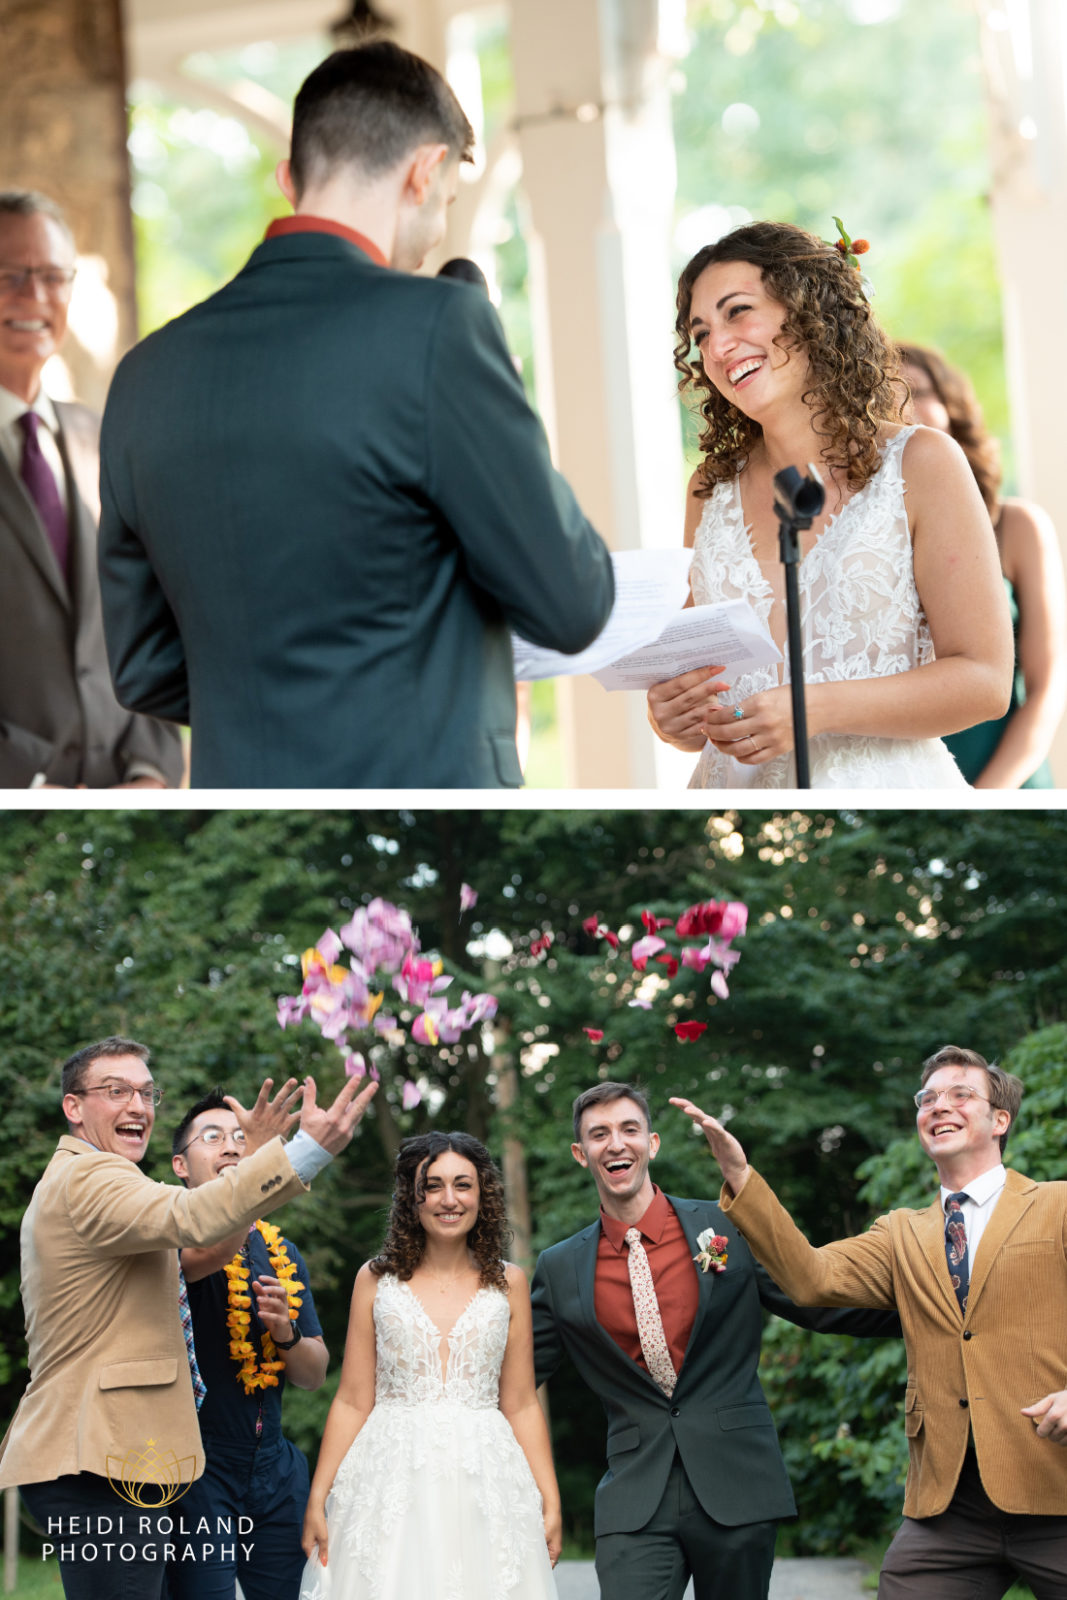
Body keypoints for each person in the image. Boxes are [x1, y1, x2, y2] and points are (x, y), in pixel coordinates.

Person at [97, 42, 613, 789]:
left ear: (291, 179)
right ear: (425, 171)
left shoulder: (144, 374)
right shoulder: (440, 329)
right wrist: (503, 398)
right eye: (446, 204)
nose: (435, 238)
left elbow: (143, 668)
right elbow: (572, 603)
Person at [673, 1044, 1067, 1598]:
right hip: (950, 1508)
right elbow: (811, 1279)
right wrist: (740, 1174)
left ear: (1000, 1120)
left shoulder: (1057, 1205)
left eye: (960, 1094)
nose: (939, 1105)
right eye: (927, 1098)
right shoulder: (901, 1233)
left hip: (1055, 1483)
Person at [0, 1034, 377, 1600]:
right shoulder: (88, 1177)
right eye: (117, 1090)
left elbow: (211, 1241)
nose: (138, 1105)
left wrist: (256, 1160)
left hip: (121, 1456)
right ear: (73, 1106)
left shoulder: (98, 1179)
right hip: (101, 1457)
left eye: (147, 1092)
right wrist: (305, 1150)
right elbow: (195, 1218)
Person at [646, 220, 1012, 789]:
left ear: (810, 310)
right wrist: (674, 719)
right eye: (701, 334)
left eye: (738, 311)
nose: (717, 348)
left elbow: (985, 682)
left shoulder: (922, 463)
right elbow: (704, 691)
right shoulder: (708, 489)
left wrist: (812, 708)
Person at [530, 1081, 901, 1600]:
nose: (615, 1143)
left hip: (738, 1483)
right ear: (580, 1153)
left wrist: (934, 1312)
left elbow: (815, 1298)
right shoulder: (559, 1266)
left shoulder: (725, 1224)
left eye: (629, 1129)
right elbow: (515, 1378)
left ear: (652, 1143)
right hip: (635, 1497)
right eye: (599, 1134)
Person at [299, 1131, 560, 1600]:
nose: (449, 1199)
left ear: (482, 1194)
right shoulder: (374, 1279)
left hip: (487, 1481)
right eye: (432, 1186)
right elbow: (353, 1400)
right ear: (410, 1197)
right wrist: (319, 1495)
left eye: (463, 1185)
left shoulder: (511, 1283)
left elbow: (521, 1403)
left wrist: (550, 1497)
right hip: (390, 1481)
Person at [0, 191, 182, 789]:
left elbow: (153, 615)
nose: (33, 295)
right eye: (9, 275)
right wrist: (30, 786)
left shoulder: (102, 437)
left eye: (53, 276)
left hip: (130, 792)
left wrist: (151, 770)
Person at [166, 1090, 328, 1600]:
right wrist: (262, 1170)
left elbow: (314, 1374)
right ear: (180, 1166)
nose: (232, 1146)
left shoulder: (281, 1251)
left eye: (241, 1137)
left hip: (275, 1468)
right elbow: (207, 1250)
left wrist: (286, 1333)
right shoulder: (165, 1240)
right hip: (198, 1466)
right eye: (212, 1137)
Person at [899, 343, 1067, 789]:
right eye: (884, 396)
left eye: (917, 391)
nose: (902, 407)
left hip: (1004, 780)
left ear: (951, 409)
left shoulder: (1017, 526)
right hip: (905, 780)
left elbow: (1048, 687)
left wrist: (982, 801)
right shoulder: (866, 546)